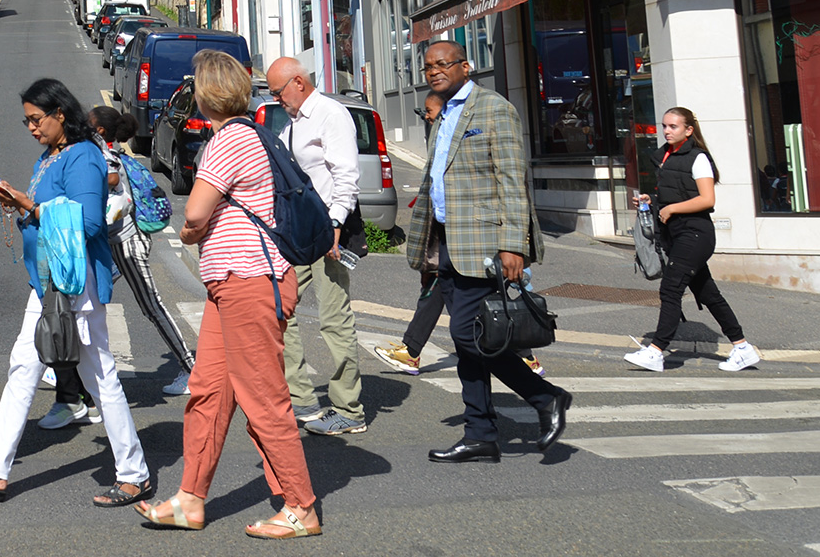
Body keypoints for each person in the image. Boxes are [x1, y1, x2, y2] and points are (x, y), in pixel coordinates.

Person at [134, 50, 318, 537]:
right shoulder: (253, 134)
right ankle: (190, 499)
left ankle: (300, 505)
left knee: (263, 398)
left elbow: (194, 215)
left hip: (249, 281)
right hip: (233, 284)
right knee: (209, 392)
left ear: (204, 92)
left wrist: (192, 235)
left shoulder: (228, 141)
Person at [0, 79, 152, 507]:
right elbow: (47, 213)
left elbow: (91, 223)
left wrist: (32, 208)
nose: (30, 128)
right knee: (23, 365)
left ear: (60, 114)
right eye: (26, 121)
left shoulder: (82, 156)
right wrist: (20, 207)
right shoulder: (51, 156)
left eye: (36, 119)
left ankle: (134, 474)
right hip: (48, 281)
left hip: (75, 283)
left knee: (100, 376)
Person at [405, 41, 570, 464]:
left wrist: (513, 244)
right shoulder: (442, 115)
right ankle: (480, 433)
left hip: (484, 244)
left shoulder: (493, 108)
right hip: (450, 244)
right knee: (469, 342)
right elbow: (436, 183)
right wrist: (427, 247)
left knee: (467, 334)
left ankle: (545, 396)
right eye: (428, 66)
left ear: (465, 66)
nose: (434, 72)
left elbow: (513, 180)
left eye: (443, 64)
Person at [377, 94, 544, 379]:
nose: (427, 116)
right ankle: (414, 350)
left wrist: (514, 244)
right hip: (452, 237)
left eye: (430, 111)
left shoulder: (483, 122)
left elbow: (511, 185)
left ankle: (525, 360)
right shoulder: (442, 134)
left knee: (486, 300)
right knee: (455, 296)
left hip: (477, 236)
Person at [264, 57, 367, 437]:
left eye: (278, 92)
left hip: (328, 231)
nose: (278, 100)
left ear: (298, 83)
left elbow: (346, 174)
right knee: (282, 310)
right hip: (302, 231)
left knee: (334, 318)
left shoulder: (330, 114)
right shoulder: (295, 121)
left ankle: (348, 409)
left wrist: (336, 223)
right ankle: (302, 399)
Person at [624, 108, 761, 373]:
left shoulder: (697, 158)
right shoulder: (665, 156)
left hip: (695, 234)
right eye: (664, 126)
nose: (667, 131)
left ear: (689, 130)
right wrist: (651, 202)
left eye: (673, 126)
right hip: (677, 234)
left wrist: (673, 209)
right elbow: (674, 195)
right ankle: (742, 348)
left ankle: (656, 351)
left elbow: (707, 199)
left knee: (671, 289)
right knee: (708, 293)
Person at [89, 106, 195, 394]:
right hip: (109, 243)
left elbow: (111, 181)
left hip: (127, 243)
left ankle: (191, 370)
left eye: (90, 122)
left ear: (99, 130)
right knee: (81, 303)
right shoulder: (104, 151)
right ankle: (66, 372)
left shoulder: (107, 156)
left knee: (152, 305)